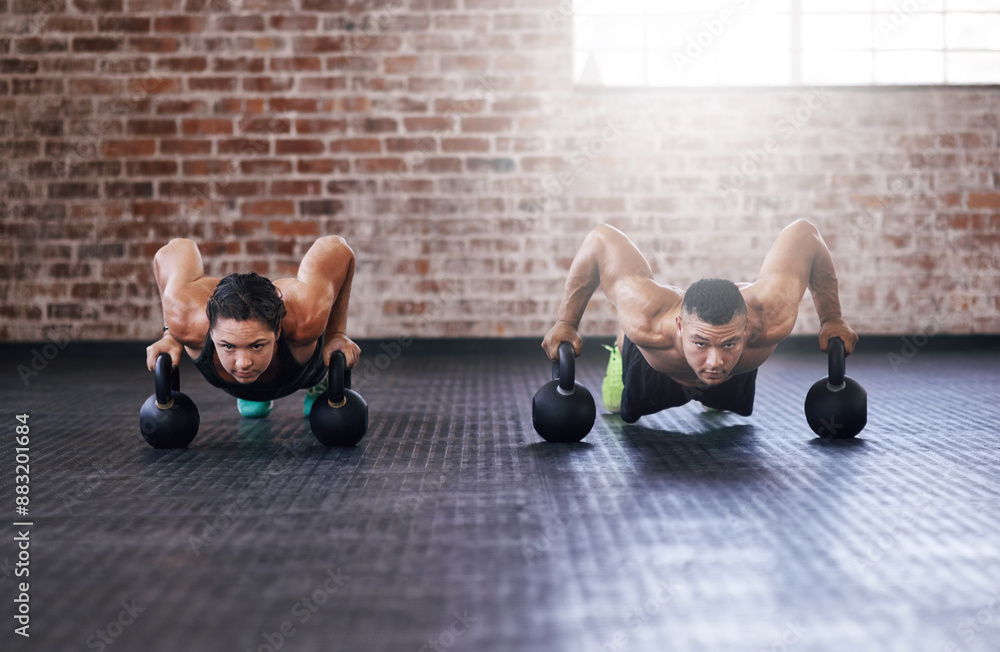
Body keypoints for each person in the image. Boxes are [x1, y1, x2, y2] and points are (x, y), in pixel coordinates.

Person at [541, 219, 859, 426]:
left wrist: (832, 319)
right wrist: (566, 322)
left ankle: (714, 380)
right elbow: (600, 239)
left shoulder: (770, 317)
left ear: (746, 328)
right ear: (680, 327)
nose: (715, 360)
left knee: (722, 404)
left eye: (728, 343)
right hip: (657, 370)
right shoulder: (648, 319)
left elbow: (805, 234)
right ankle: (618, 355)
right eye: (700, 343)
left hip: (736, 378)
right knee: (616, 405)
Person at [146, 236, 361, 419]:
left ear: (277, 332)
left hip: (304, 375)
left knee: (314, 361)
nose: (243, 363)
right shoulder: (185, 321)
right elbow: (174, 249)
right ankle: (253, 387)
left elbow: (337, 248)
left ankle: (317, 386)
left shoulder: (305, 317)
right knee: (252, 411)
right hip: (240, 378)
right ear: (211, 333)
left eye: (256, 346)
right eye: (228, 346)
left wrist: (336, 333)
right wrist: (170, 335)